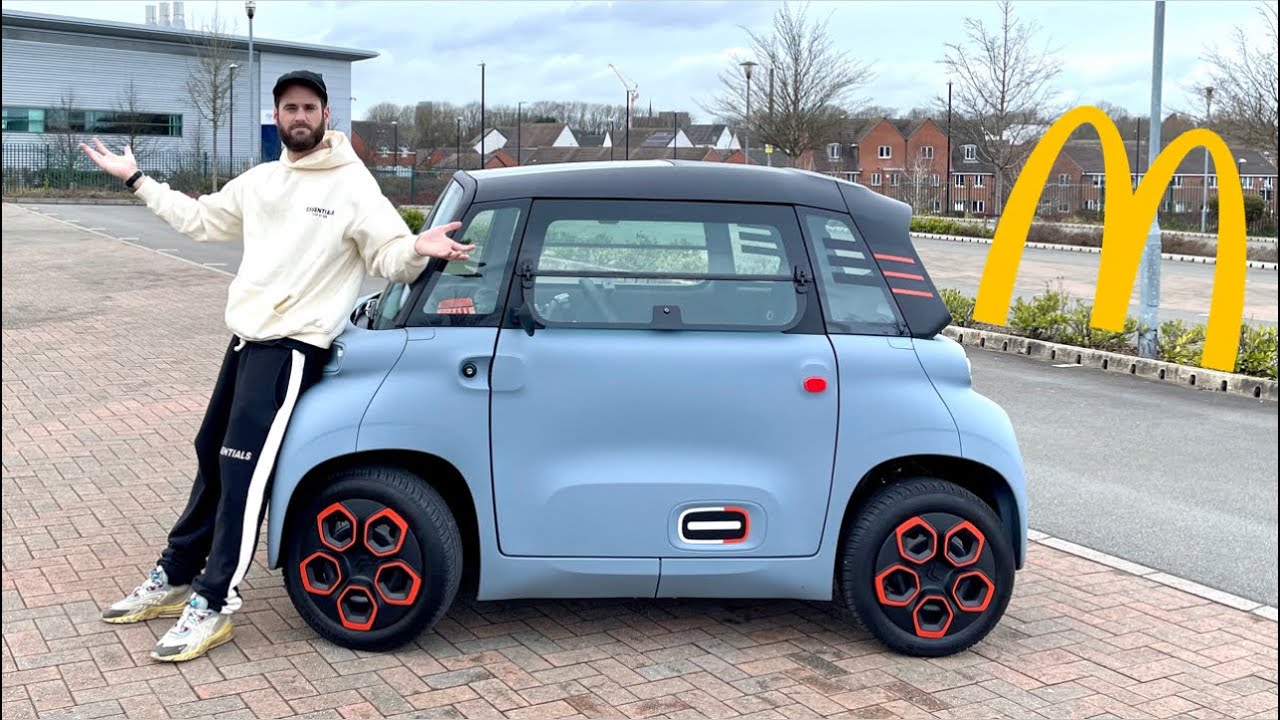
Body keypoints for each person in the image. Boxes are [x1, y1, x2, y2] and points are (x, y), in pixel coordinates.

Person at [78, 70, 473, 663]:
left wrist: (417, 249)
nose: (299, 117)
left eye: (309, 108)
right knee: (212, 453)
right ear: (277, 115)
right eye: (289, 108)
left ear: (326, 114)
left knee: (245, 473)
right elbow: (200, 220)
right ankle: (177, 573)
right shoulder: (263, 180)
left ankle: (214, 603)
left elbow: (387, 254)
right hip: (245, 341)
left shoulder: (352, 185)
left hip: (291, 349)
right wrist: (135, 178)